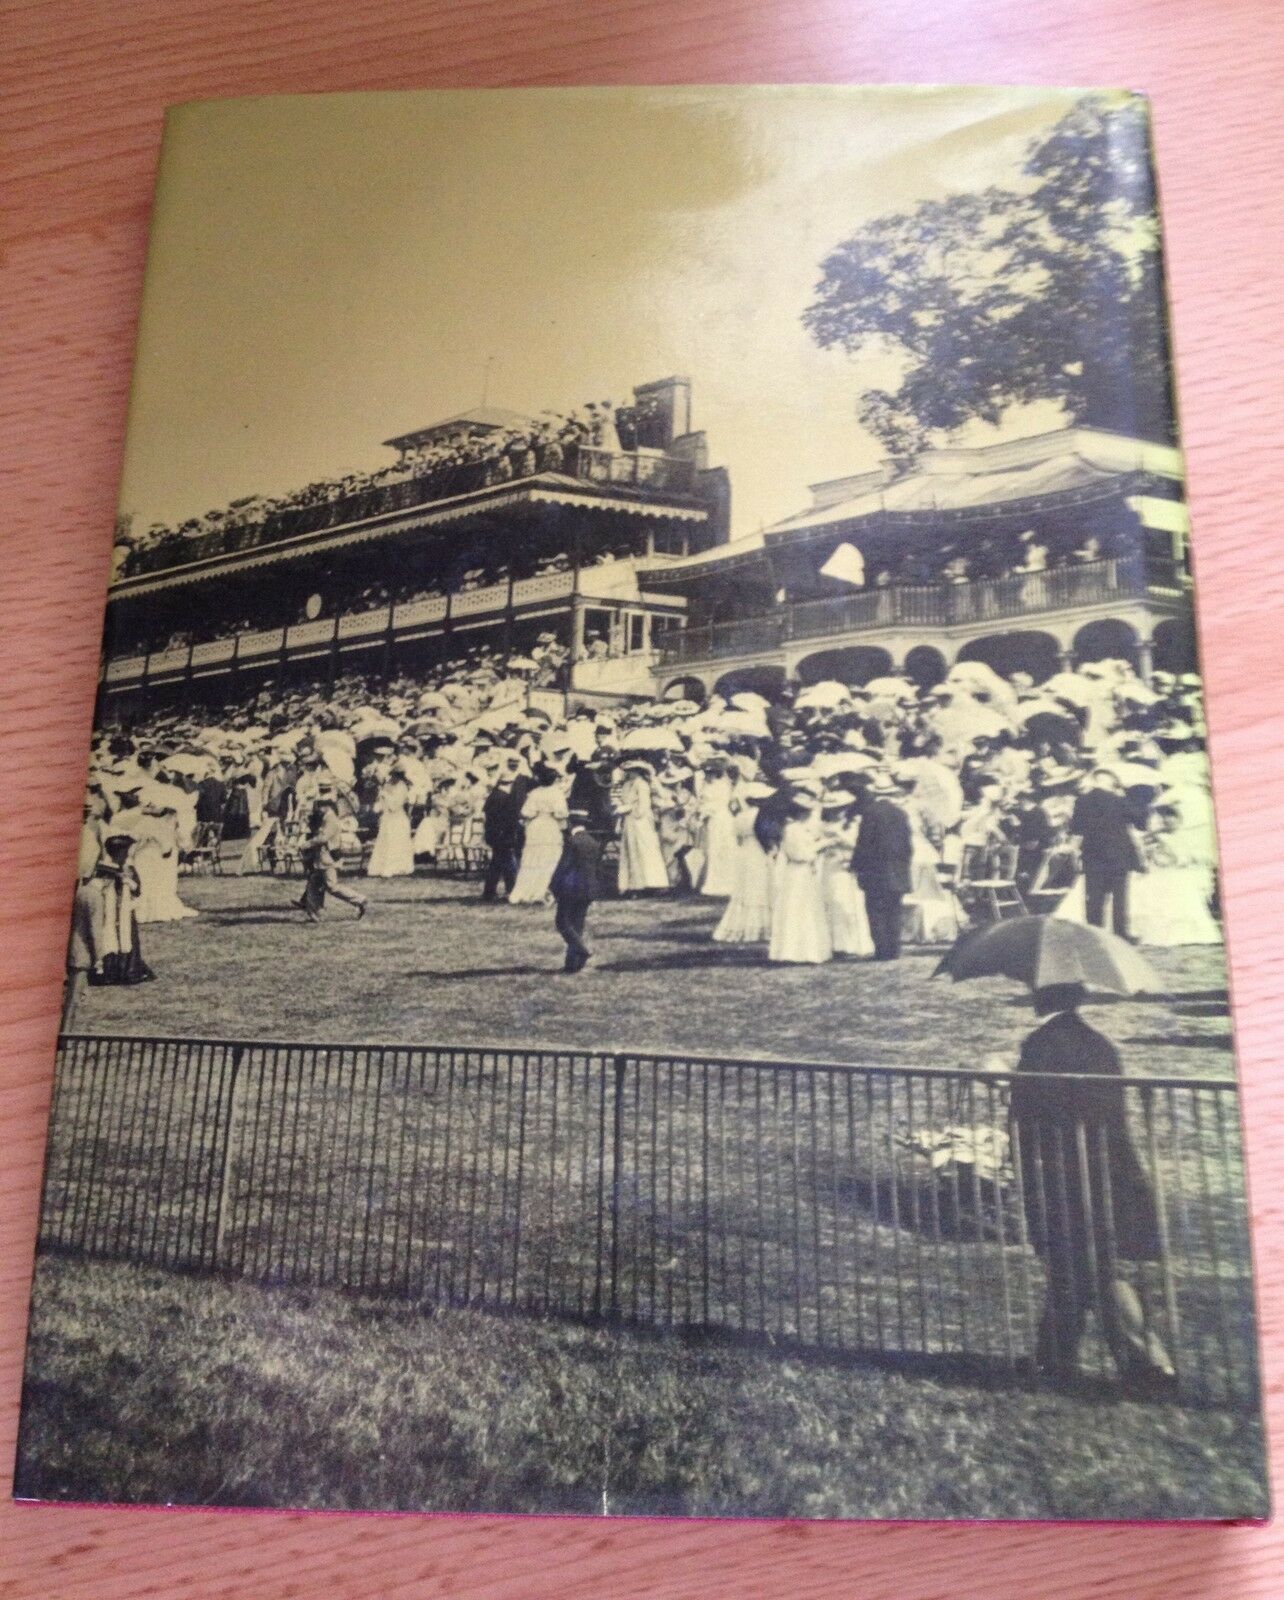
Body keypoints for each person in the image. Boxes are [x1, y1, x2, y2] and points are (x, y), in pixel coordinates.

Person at [1009, 982, 1176, 1389]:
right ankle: (1053, 1358)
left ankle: (1150, 1363)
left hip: (1064, 1172)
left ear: (1045, 998)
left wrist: (1007, 1090)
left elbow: (1030, 1111)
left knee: (1090, 1269)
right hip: (1109, 1168)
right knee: (1076, 1266)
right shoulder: (1099, 1044)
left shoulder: (1042, 1045)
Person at [1068, 768, 1143, 939]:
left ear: (1095, 781)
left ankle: (1094, 934)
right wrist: (1123, 796)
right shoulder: (1119, 800)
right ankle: (1121, 933)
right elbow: (1139, 819)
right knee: (1119, 897)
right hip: (1119, 855)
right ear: (1110, 782)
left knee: (1094, 896)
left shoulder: (1082, 801)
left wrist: (1074, 852)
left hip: (1093, 855)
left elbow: (1076, 829)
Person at [850, 772, 913, 961]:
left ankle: (881, 949)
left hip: (876, 869)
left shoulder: (870, 813)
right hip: (898, 868)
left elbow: (864, 843)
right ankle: (893, 949)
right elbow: (907, 845)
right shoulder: (901, 814)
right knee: (894, 909)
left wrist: (857, 866)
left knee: (876, 909)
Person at [768, 792, 832, 964]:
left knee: (807, 909)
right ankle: (793, 951)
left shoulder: (800, 829)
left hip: (805, 873)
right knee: (797, 908)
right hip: (797, 873)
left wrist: (818, 846)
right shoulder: (792, 829)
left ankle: (807, 950)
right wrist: (820, 847)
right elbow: (799, 854)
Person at [713, 783, 775, 944]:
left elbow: (738, 838)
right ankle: (764, 925)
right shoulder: (763, 816)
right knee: (761, 885)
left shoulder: (740, 817)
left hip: (746, 852)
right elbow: (768, 835)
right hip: (759, 852)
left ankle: (746, 924)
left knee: (746, 886)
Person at [549, 808, 602, 973]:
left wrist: (552, 886)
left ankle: (582, 951)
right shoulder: (593, 842)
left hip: (570, 887)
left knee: (562, 922)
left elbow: (563, 867)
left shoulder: (572, 842)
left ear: (570, 823)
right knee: (577, 924)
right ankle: (573, 964)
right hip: (588, 888)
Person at [299, 797, 368, 921]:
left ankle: (360, 900)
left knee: (332, 886)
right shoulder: (326, 818)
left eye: (321, 805)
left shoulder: (331, 819)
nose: (318, 809)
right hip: (321, 858)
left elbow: (323, 838)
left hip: (327, 858)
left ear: (328, 806)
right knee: (314, 884)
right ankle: (314, 912)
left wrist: (307, 844)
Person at [509, 766, 569, 904]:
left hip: (536, 826)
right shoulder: (557, 793)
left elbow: (526, 812)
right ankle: (541, 891)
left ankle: (527, 891)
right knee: (549, 858)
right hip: (550, 826)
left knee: (532, 858)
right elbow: (561, 813)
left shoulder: (534, 793)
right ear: (554, 780)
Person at [614, 760, 670, 894]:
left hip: (641, 820)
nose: (629, 773)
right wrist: (622, 812)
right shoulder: (627, 784)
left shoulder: (642, 784)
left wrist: (628, 809)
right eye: (628, 770)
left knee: (645, 849)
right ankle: (634, 884)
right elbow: (623, 800)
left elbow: (643, 806)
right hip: (630, 821)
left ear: (638, 771)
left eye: (632, 770)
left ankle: (654, 883)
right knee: (631, 850)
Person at [480, 769, 524, 900]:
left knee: (496, 863)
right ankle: (511, 890)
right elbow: (510, 818)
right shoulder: (505, 798)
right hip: (504, 835)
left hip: (494, 835)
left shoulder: (493, 796)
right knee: (509, 864)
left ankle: (489, 891)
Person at [367, 764, 416, 877]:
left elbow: (396, 806)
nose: (394, 778)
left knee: (396, 843)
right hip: (387, 818)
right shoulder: (387, 785)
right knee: (385, 842)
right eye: (393, 775)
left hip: (398, 818)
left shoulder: (402, 786)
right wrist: (380, 802)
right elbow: (381, 803)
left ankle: (397, 868)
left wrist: (385, 796)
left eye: (396, 776)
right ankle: (381, 868)